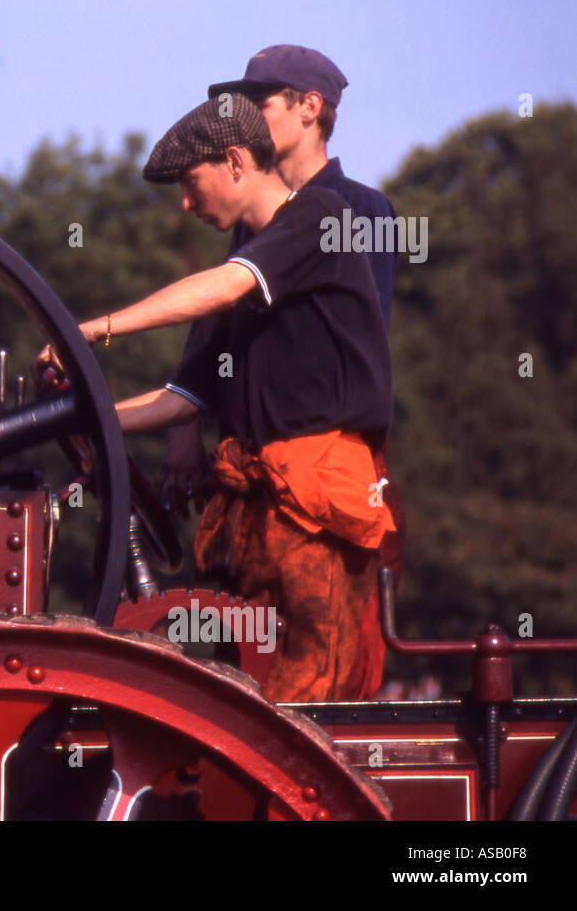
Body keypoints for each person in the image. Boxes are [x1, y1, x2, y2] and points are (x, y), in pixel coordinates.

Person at [41, 93, 395, 702]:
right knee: (249, 694)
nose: (185, 203)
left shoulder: (318, 218)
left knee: (308, 696)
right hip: (257, 516)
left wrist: (93, 328)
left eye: (190, 182)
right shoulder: (239, 272)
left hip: (316, 505)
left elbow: (227, 285)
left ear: (235, 161)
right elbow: (182, 399)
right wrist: (68, 417)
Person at [159, 46, 405, 697]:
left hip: (316, 472)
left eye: (259, 101)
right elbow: (217, 319)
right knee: (242, 661)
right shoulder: (255, 217)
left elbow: (358, 343)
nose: (242, 115)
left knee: (317, 667)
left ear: (309, 108)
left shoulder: (357, 209)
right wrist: (184, 423)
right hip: (257, 474)